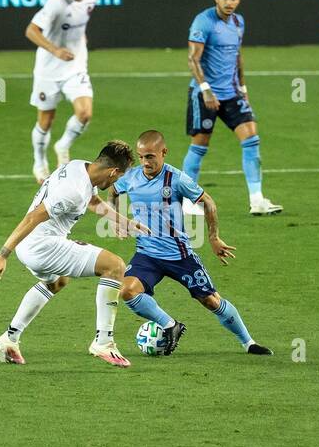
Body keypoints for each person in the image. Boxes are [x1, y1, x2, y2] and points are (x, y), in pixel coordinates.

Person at [113, 129, 272, 356]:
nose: (144, 162)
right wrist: (118, 219)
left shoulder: (176, 179)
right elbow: (113, 191)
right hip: (146, 254)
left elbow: (208, 202)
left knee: (211, 301)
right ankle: (170, 325)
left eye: (150, 156)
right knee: (127, 291)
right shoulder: (131, 177)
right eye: (141, 156)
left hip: (180, 256)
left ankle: (248, 342)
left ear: (164, 152)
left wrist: (214, 237)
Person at [0, 140, 142, 368]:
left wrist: (122, 221)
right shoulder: (72, 192)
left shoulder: (79, 167)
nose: (116, 181)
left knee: (57, 281)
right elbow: (32, 218)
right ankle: (104, 342)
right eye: (118, 177)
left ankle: (9, 339)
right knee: (115, 266)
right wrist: (2, 254)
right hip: (41, 246)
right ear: (113, 171)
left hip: (34, 246)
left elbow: (93, 201)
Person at [181, 0, 282, 217]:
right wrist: (205, 89)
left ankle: (256, 200)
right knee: (200, 145)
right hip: (205, 94)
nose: (229, 2)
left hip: (231, 93)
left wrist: (243, 89)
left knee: (251, 139)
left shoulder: (238, 22)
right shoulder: (203, 21)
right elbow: (193, 58)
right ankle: (186, 201)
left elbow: (237, 56)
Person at [26, 0, 99, 183]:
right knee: (46, 121)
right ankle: (39, 162)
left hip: (75, 66)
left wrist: (80, 40)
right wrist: (55, 50)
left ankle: (63, 146)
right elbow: (31, 30)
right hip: (49, 69)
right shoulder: (57, 3)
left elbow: (81, 21)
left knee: (85, 112)